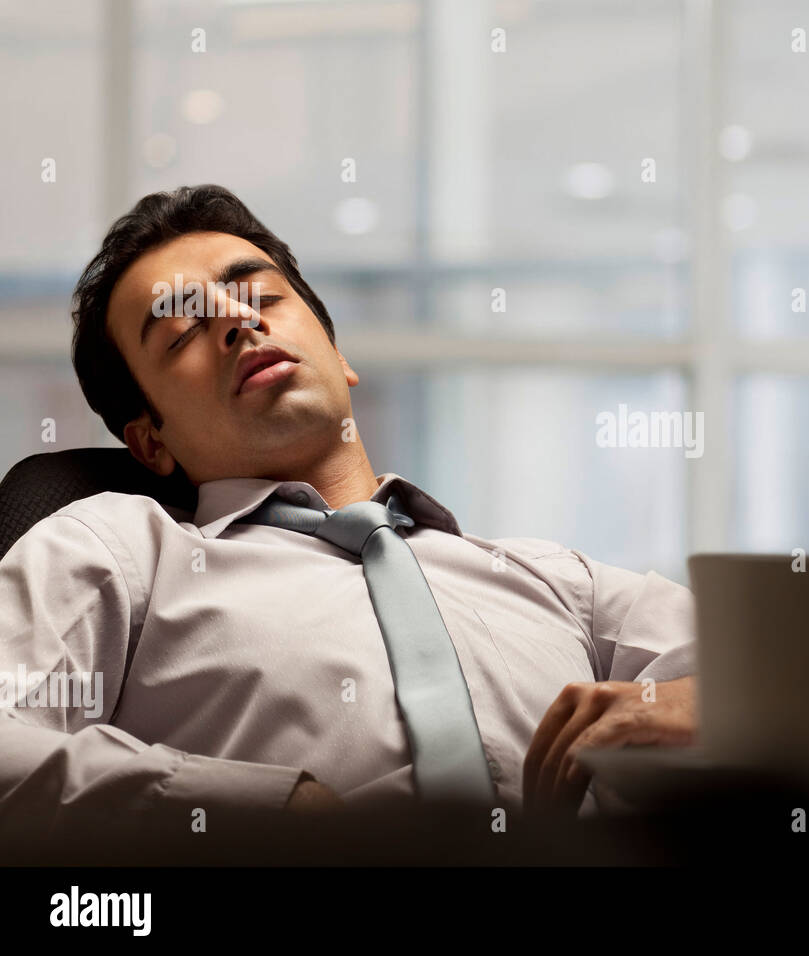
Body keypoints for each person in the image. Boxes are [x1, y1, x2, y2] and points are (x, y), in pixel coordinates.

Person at [0, 185, 697, 839]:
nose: (240, 323)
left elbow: (783, 673)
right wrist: (274, 815)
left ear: (338, 353)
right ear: (150, 442)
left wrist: (695, 707)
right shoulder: (116, 551)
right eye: (182, 332)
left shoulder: (558, 582)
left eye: (260, 296)